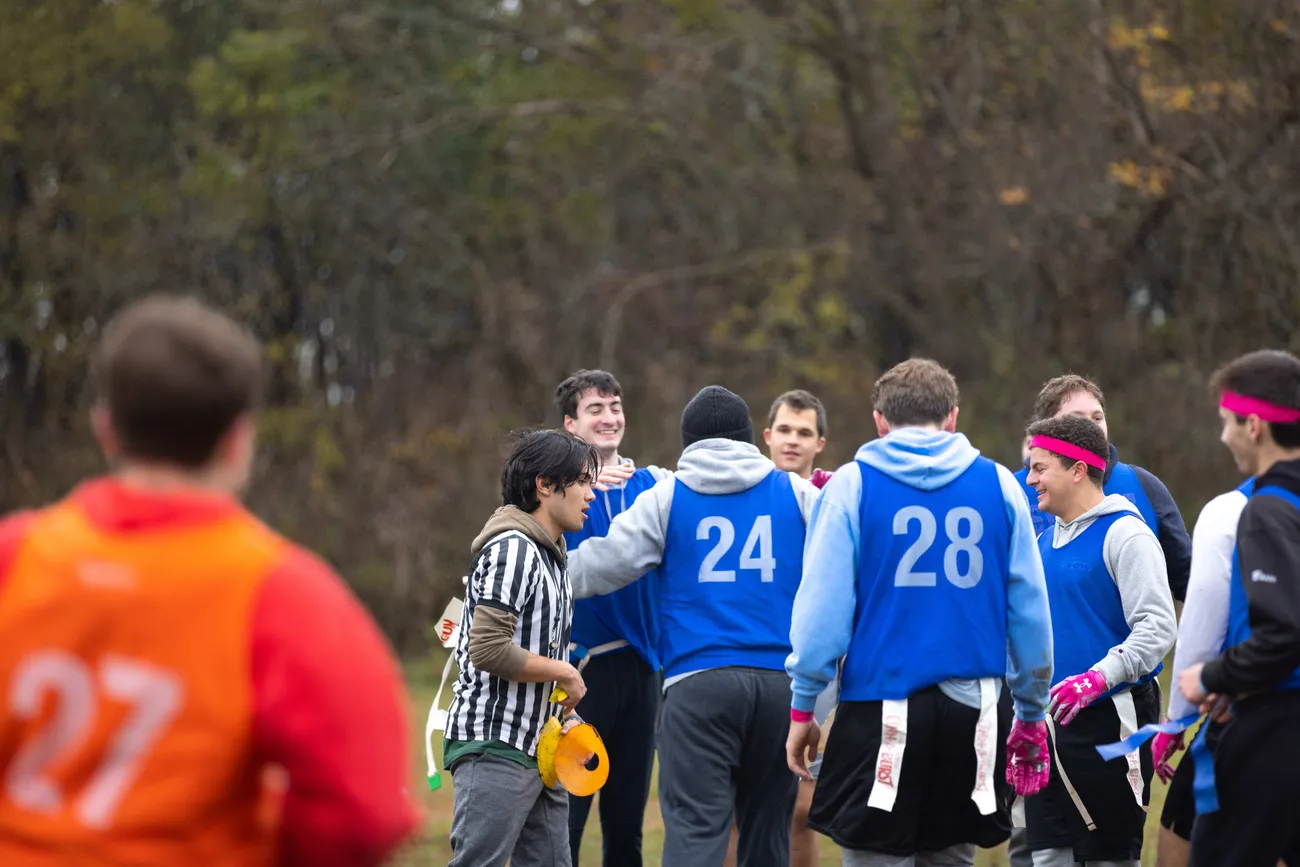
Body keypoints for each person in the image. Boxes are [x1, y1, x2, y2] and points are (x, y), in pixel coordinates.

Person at [0, 295, 418, 866]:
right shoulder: (284, 595)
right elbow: (366, 814)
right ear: (237, 440)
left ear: (107, 430)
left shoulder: (16, 556)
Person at [786, 357, 1055, 867]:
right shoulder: (1000, 484)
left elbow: (822, 612)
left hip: (883, 705)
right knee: (951, 856)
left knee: (874, 855)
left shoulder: (851, 484)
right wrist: (1031, 709)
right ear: (953, 417)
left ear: (880, 421)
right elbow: (1029, 612)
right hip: (974, 710)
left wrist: (805, 706)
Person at [567, 385, 820, 867]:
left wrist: (524, 573)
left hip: (697, 686)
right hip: (779, 688)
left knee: (695, 833)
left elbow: (603, 564)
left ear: (689, 443)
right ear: (750, 438)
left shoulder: (668, 496)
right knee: (768, 836)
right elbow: (839, 577)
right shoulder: (800, 493)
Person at [1022, 414, 1176, 867]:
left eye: (1039, 467)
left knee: (1108, 858)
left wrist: (1096, 679)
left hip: (1112, 724)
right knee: (1049, 857)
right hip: (1050, 730)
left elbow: (1158, 626)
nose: (1030, 478)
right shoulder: (1044, 541)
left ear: (1078, 469)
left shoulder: (1126, 534)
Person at [443, 429, 600, 867]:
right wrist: (565, 672)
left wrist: (566, 716)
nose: (591, 495)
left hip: (542, 750)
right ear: (545, 485)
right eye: (583, 481)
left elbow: (531, 648)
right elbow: (488, 649)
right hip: (495, 745)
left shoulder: (552, 557)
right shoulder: (514, 549)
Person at [1177, 349, 1300, 867]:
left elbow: (1284, 634)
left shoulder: (1266, 510)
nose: (1223, 437)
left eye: (1226, 423)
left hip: (1273, 736)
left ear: (1254, 426)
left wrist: (1212, 676)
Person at [554, 370, 670, 867]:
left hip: (644, 673)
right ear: (571, 425)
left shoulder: (657, 486)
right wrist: (577, 484)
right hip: (579, 677)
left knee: (626, 825)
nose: (609, 417)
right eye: (595, 409)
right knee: (567, 818)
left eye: (615, 406)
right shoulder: (550, 491)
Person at [1013, 374, 1192, 601]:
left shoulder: (1143, 485)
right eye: (1077, 418)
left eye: (1097, 418)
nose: (1092, 427)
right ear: (1045, 429)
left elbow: (1187, 581)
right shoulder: (1011, 491)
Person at [1149, 477, 1252, 867]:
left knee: (1181, 833)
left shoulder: (1230, 512)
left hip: (1249, 715)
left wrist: (1177, 718)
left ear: (1255, 427)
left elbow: (1201, 624)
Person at [764, 389, 833, 488]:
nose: (793, 441)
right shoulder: (745, 492)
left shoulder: (831, 498)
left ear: (819, 444)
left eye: (804, 434)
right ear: (768, 436)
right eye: (784, 430)